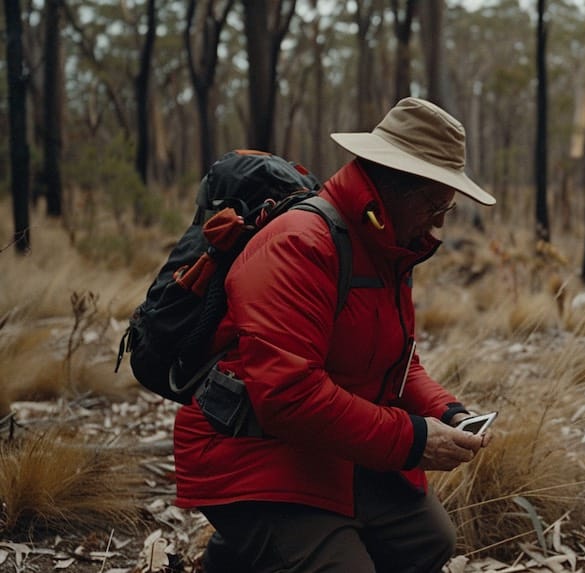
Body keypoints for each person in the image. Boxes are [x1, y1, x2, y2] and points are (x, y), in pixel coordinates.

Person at [173, 97, 497, 572]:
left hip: (327, 446)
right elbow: (288, 396)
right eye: (436, 204)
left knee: (428, 541)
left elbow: (399, 362)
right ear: (396, 186)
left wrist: (447, 412)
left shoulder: (389, 246)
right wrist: (412, 439)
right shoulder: (302, 244)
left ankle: (242, 559)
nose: (439, 223)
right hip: (249, 453)